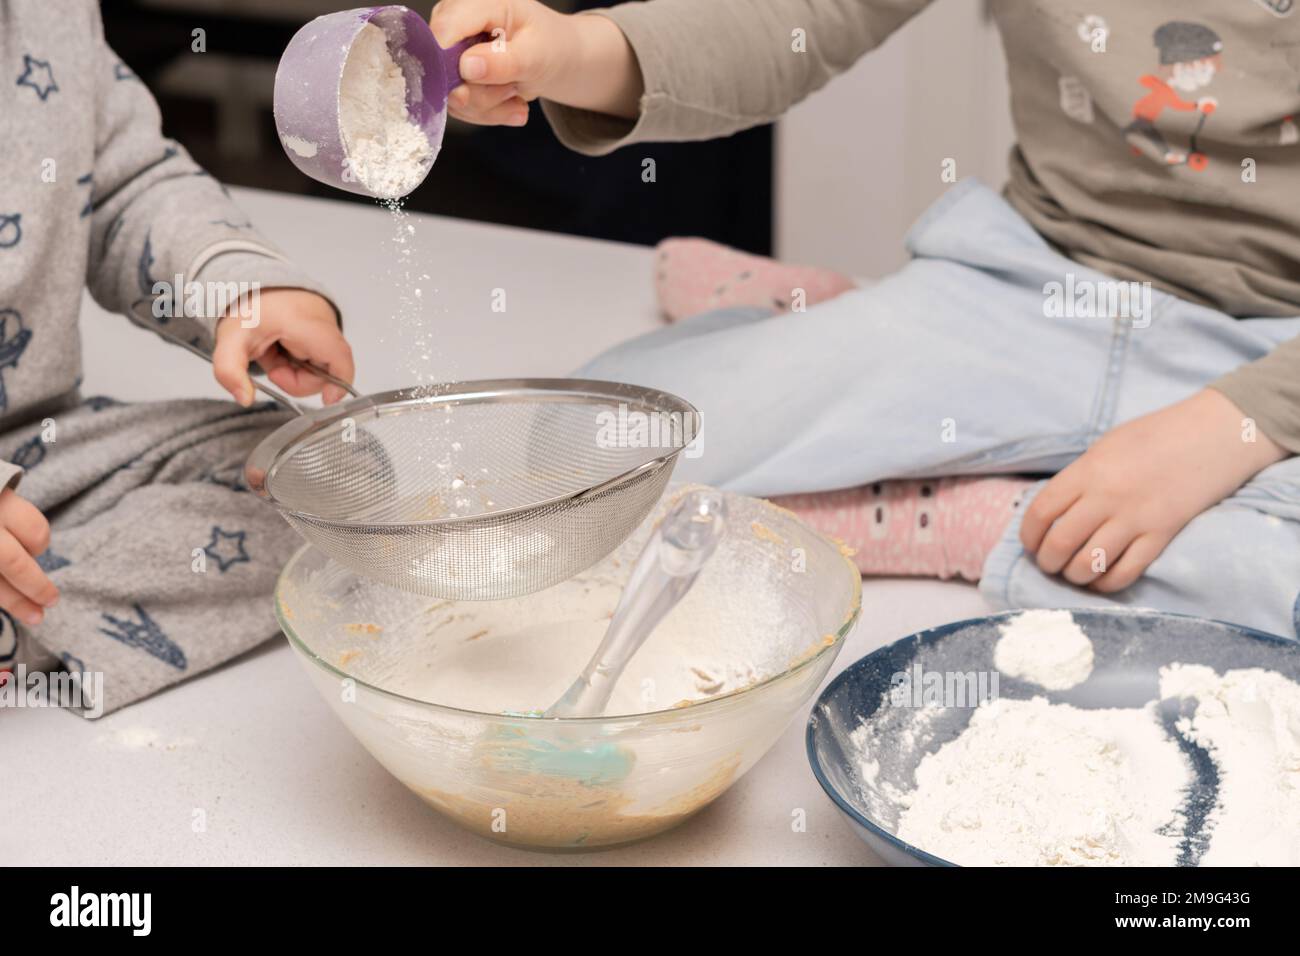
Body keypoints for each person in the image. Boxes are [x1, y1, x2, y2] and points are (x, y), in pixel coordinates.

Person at [429, 0, 1300, 638]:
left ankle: (972, 517)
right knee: (566, 453)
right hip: (1030, 289)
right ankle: (842, 334)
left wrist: (1231, 427)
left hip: (1282, 352)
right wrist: (580, 49)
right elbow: (803, 16)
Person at [0, 1, 355, 711]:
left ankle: (24, 619)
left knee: (332, 475)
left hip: (42, 457)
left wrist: (242, 290)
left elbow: (127, 185)